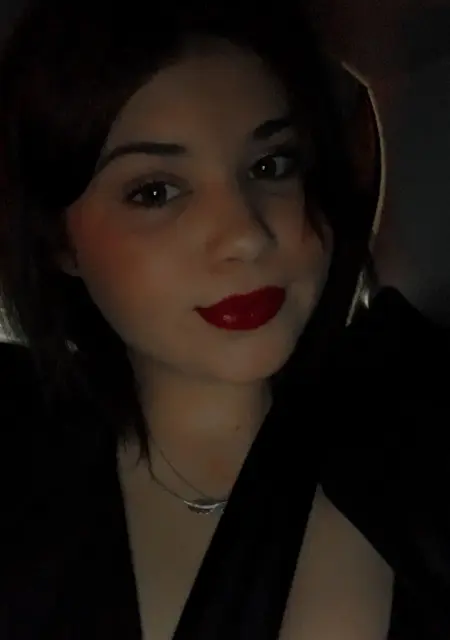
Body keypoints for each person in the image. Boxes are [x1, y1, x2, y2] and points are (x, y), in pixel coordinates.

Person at [0, 1, 449, 639]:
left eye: (271, 166)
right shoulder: (21, 455)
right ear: (59, 242)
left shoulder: (421, 423)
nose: (245, 235)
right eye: (155, 191)